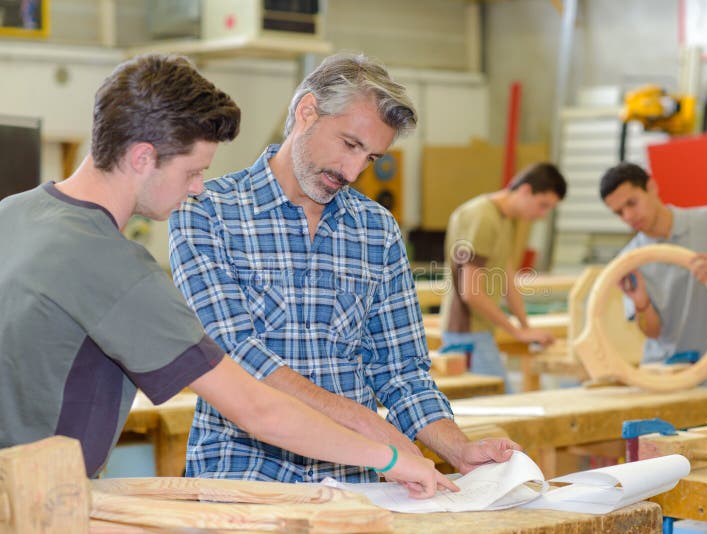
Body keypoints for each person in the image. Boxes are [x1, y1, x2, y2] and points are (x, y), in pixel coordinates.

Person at [0, 53, 459, 498]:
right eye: (193, 171)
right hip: (34, 501)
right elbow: (257, 408)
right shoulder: (117, 267)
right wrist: (386, 455)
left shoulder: (12, 214)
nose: (198, 186)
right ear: (142, 157)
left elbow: (398, 368)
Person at [168, 52, 522, 484]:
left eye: (371, 158)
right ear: (307, 111)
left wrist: (459, 448)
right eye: (350, 145)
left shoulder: (377, 230)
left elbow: (401, 371)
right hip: (245, 478)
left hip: (353, 482)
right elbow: (235, 358)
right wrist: (366, 426)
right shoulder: (207, 212)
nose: (353, 172)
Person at [599, 162, 707, 392]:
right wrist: (641, 303)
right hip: (663, 374)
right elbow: (653, 332)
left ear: (652, 187)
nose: (628, 216)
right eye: (619, 212)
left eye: (632, 203)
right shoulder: (630, 260)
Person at [438, 164, 568, 392]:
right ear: (525, 190)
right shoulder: (482, 217)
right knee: (500, 401)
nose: (542, 215)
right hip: (466, 332)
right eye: (543, 205)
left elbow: (507, 278)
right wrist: (517, 332)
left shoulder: (506, 219)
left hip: (481, 330)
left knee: (501, 399)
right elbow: (471, 292)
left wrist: (526, 327)